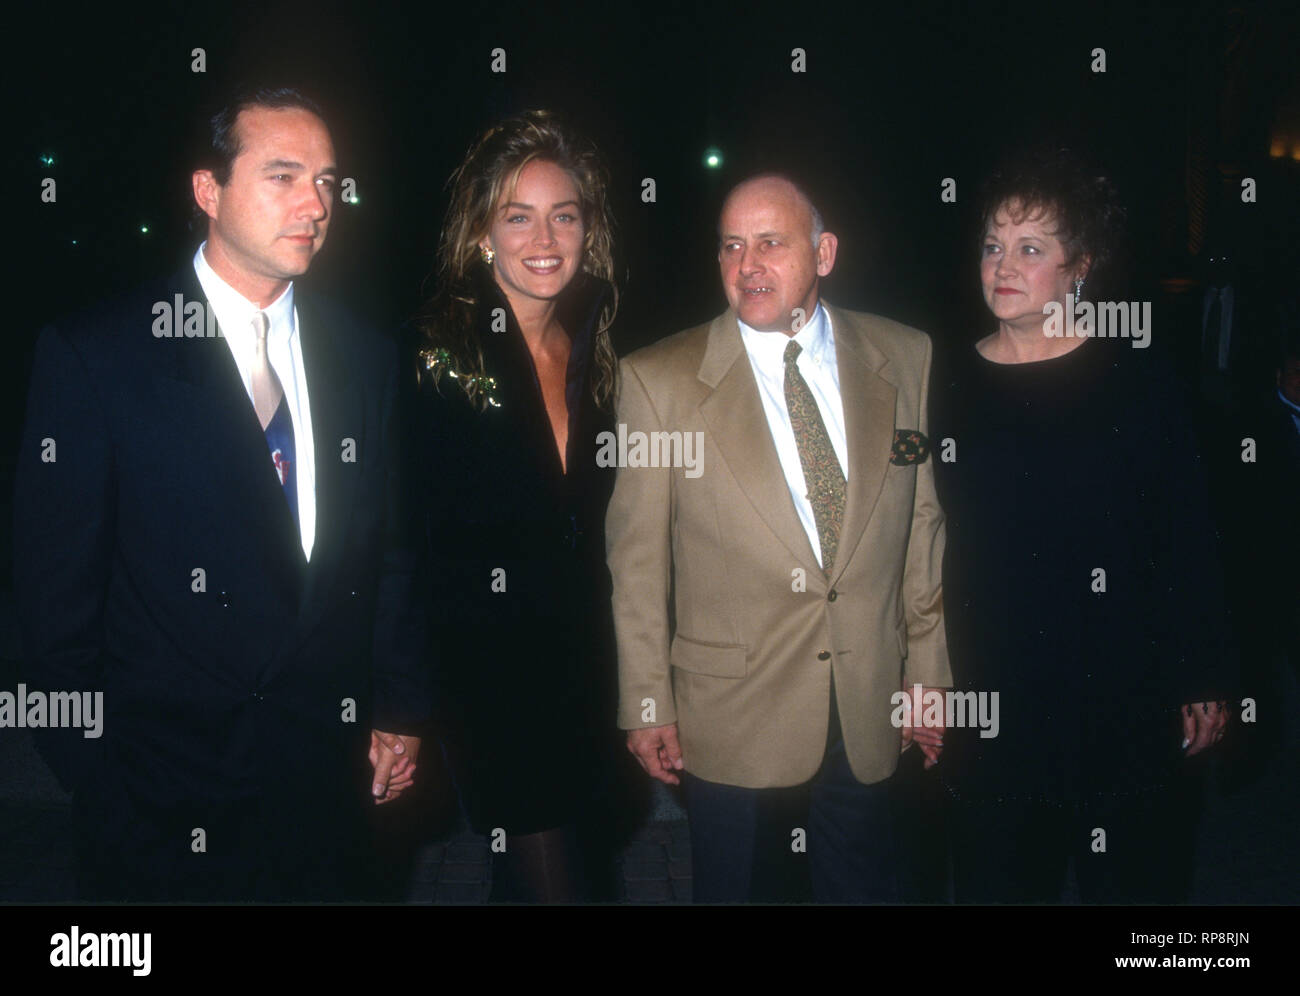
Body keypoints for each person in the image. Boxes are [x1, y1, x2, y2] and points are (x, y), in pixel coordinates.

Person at [12, 86, 428, 902]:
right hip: (161, 813)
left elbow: (390, 551)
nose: (316, 202)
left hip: (326, 798)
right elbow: (54, 609)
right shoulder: (98, 356)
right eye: (283, 175)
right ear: (209, 191)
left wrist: (399, 706)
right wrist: (99, 782)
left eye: (329, 180)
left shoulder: (367, 358)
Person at [606, 172, 949, 903]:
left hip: (866, 700)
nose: (747, 264)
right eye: (731, 246)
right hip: (730, 715)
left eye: (770, 242)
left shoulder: (905, 356)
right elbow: (636, 561)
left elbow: (921, 524)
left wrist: (928, 673)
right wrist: (646, 702)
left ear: (824, 253)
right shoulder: (659, 382)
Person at [931, 145, 1232, 903]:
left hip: (1122, 691)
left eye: (1032, 248)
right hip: (992, 695)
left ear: (1081, 267)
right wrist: (920, 675)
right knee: (999, 884)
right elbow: (917, 542)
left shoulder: (1137, 376)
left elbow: (1187, 530)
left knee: (1135, 890)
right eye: (994, 245)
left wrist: (1202, 671)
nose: (1004, 264)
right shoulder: (942, 381)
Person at [408, 110, 629, 902]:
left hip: (583, 674)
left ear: (588, 229)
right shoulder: (438, 353)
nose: (544, 237)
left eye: (563, 215)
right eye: (518, 215)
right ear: (482, 232)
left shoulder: (597, 349)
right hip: (493, 681)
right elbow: (407, 538)